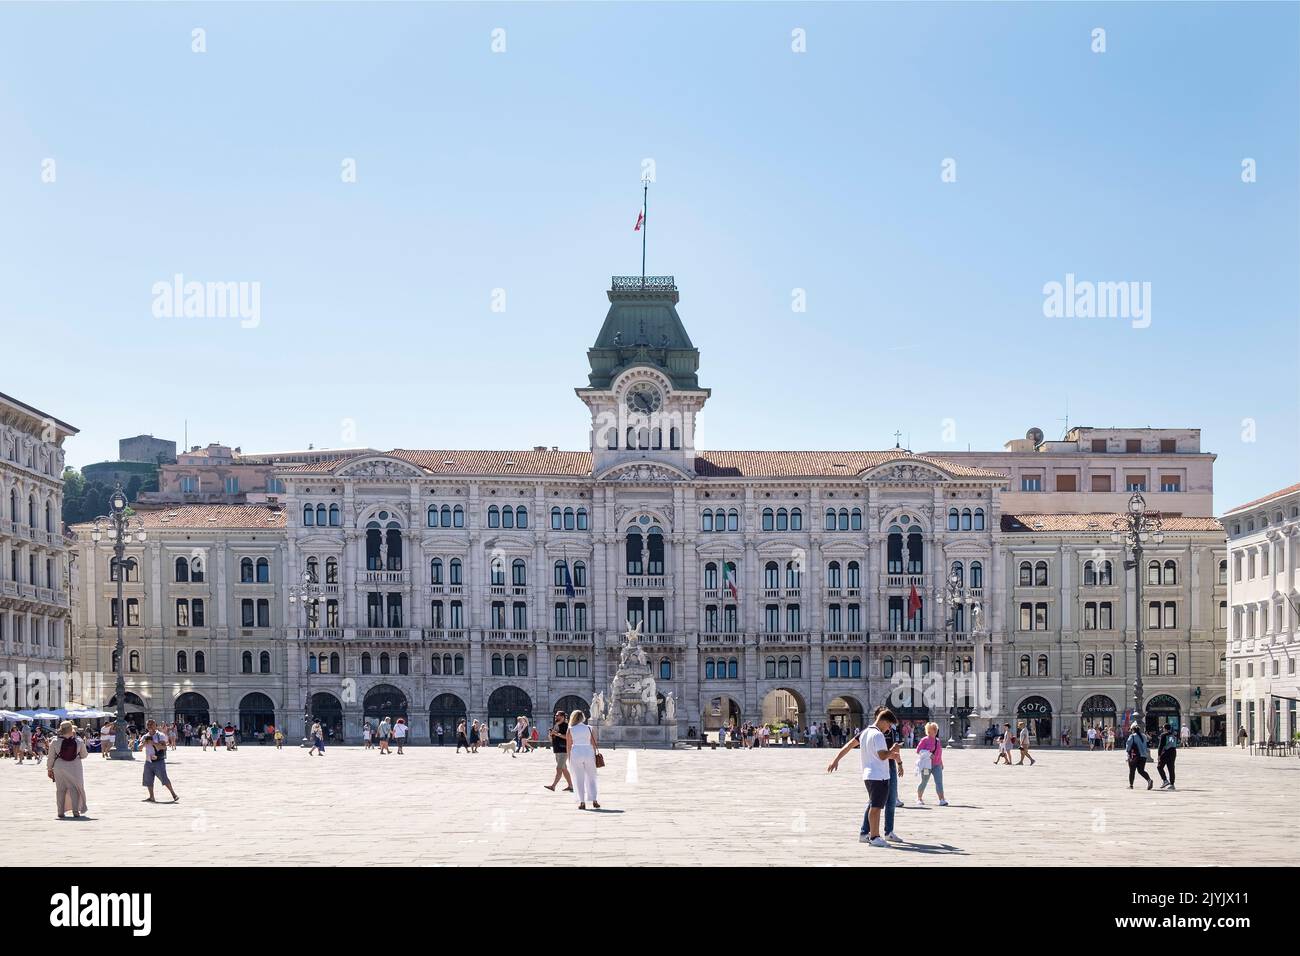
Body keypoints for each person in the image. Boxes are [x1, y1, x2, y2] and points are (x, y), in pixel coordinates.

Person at [826, 707, 899, 847]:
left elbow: (849, 745)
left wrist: (836, 759)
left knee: (874, 805)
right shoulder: (878, 735)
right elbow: (882, 755)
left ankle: (868, 834)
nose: (889, 729)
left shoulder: (865, 732)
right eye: (889, 725)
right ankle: (874, 836)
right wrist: (893, 751)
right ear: (883, 721)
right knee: (876, 807)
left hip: (868, 774)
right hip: (879, 775)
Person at [47, 721, 88, 819]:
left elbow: (51, 757)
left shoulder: (55, 741)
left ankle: (60, 812)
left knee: (60, 789)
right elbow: (84, 755)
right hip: (75, 766)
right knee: (74, 789)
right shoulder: (78, 741)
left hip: (59, 766)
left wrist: (49, 769)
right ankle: (75, 811)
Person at [565, 710, 601, 810]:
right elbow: (594, 743)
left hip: (576, 752)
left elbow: (568, 745)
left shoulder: (571, 729)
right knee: (592, 777)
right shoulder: (590, 728)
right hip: (588, 752)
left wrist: (569, 758)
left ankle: (582, 802)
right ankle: (594, 800)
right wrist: (593, 755)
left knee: (578, 778)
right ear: (583, 718)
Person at [141, 719, 180, 803]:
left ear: (155, 726)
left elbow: (164, 747)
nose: (150, 726)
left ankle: (173, 794)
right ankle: (151, 797)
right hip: (148, 761)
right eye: (148, 724)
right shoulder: (145, 736)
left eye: (151, 724)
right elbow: (139, 748)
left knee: (164, 778)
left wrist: (153, 743)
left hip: (159, 761)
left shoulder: (160, 735)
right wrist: (144, 742)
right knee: (148, 780)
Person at [915, 721, 946, 806]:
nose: (935, 731)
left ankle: (942, 799)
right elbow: (918, 751)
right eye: (933, 730)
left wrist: (941, 763)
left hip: (937, 765)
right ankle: (919, 798)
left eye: (935, 730)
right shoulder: (924, 740)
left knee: (939, 782)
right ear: (928, 730)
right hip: (926, 766)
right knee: (924, 781)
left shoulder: (937, 741)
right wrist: (928, 753)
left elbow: (939, 753)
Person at [544, 710, 574, 793]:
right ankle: (571, 786)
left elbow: (568, 737)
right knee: (564, 769)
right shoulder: (556, 725)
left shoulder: (566, 726)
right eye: (555, 715)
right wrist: (550, 735)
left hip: (564, 750)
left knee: (559, 768)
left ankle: (553, 786)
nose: (556, 717)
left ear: (563, 717)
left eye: (558, 715)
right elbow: (552, 739)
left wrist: (556, 734)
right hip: (557, 749)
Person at [1126, 722, 1153, 790]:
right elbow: (1147, 742)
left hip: (1134, 756)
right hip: (1143, 756)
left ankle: (1131, 785)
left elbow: (1128, 746)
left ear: (1133, 730)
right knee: (1141, 770)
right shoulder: (1144, 736)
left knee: (1132, 770)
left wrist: (1127, 753)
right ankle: (1149, 780)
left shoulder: (1132, 736)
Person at [1156, 723, 1178, 790]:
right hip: (1173, 751)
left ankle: (1165, 780)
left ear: (1165, 728)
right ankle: (1172, 784)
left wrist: (1159, 755)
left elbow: (1161, 746)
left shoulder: (1163, 735)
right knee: (1171, 768)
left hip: (1166, 751)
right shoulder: (1173, 735)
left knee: (1159, 766)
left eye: (1163, 728)